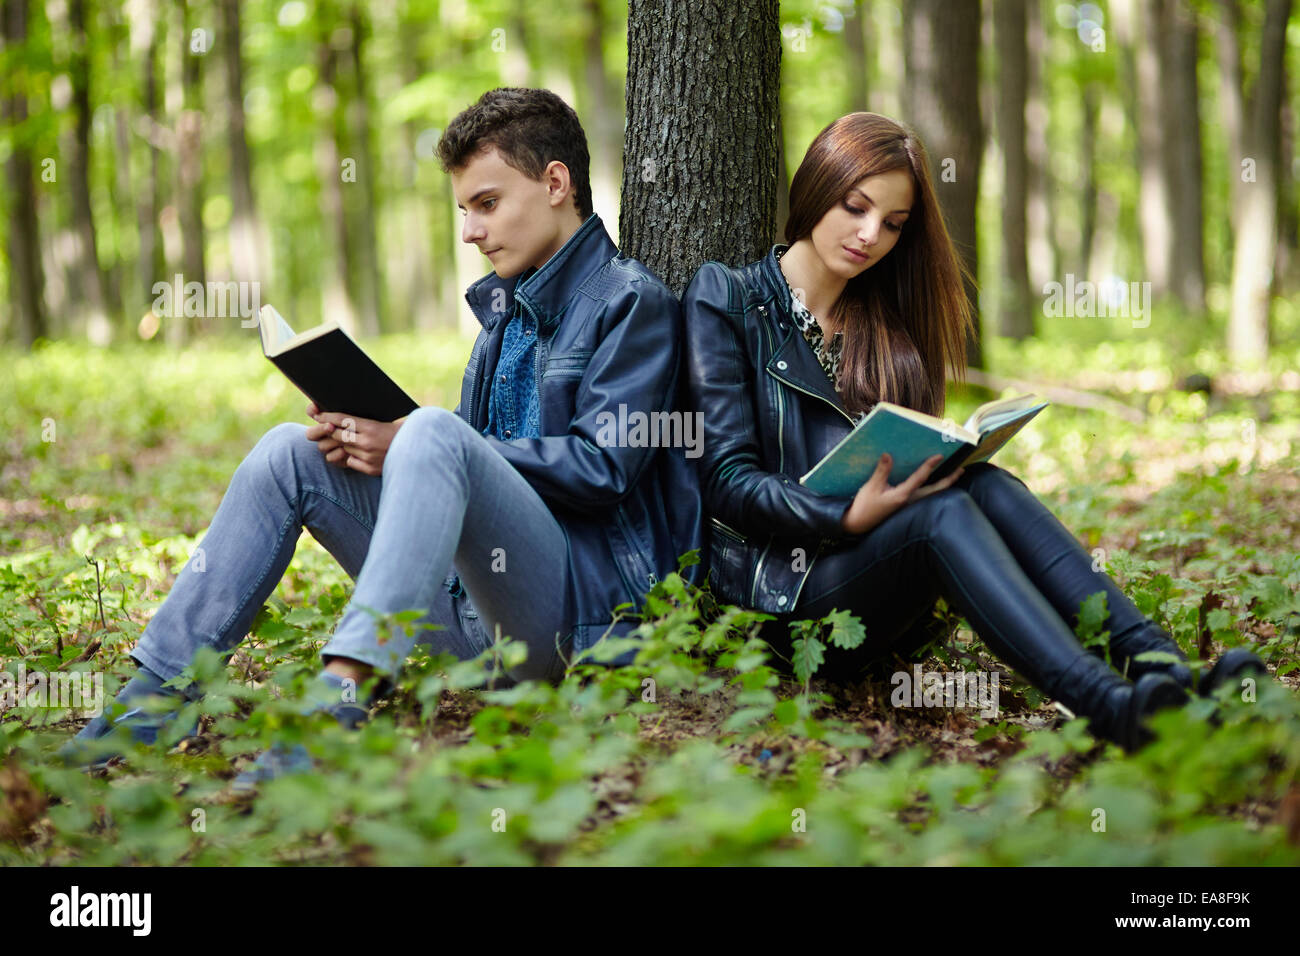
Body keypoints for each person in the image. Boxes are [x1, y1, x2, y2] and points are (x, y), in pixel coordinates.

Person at [59, 87, 703, 785]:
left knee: (431, 429)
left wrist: (420, 442)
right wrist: (376, 441)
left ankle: (339, 700)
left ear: (555, 183)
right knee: (289, 454)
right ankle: (143, 709)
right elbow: (475, 484)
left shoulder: (629, 301)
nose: (469, 232)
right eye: (463, 210)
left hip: (570, 623)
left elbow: (604, 467)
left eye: (486, 204)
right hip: (469, 616)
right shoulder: (503, 320)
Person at [681, 111, 1266, 752]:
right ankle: (1109, 707)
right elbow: (727, 481)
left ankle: (1163, 670)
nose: (870, 234)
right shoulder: (728, 297)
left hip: (873, 576)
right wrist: (842, 516)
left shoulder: (881, 326)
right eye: (856, 206)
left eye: (894, 224)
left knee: (982, 484)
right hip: (781, 601)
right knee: (942, 517)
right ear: (820, 186)